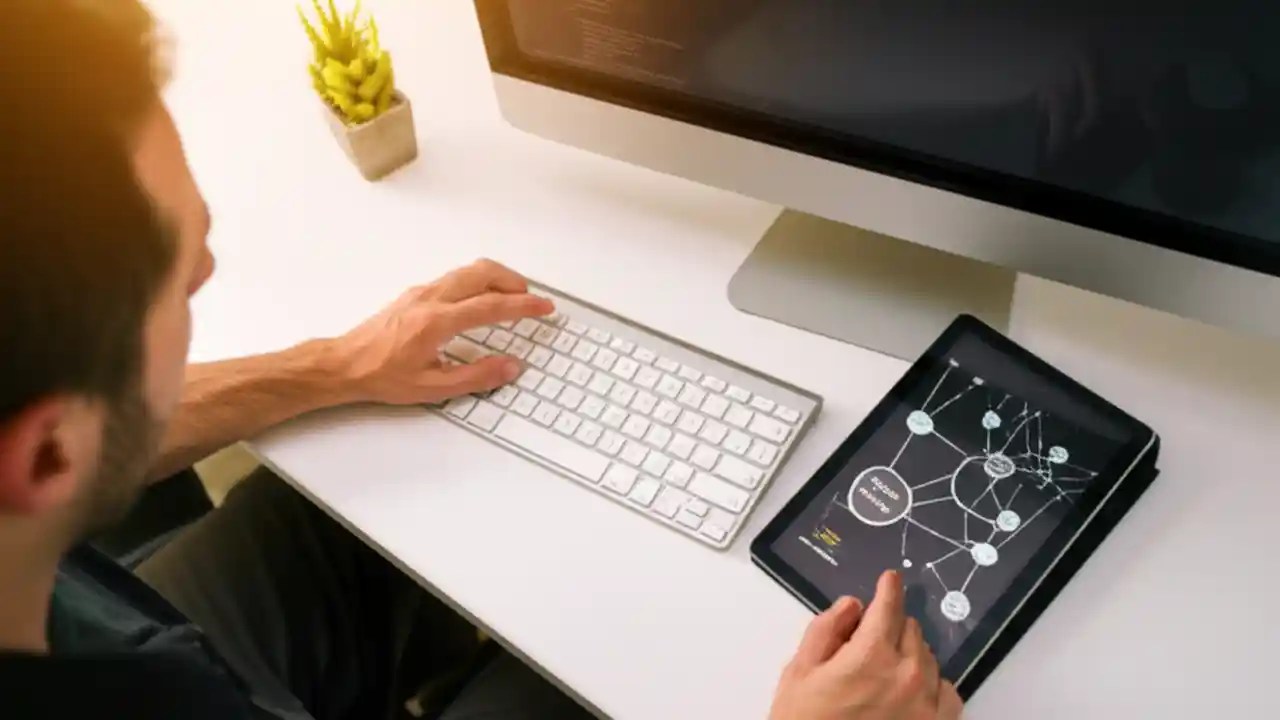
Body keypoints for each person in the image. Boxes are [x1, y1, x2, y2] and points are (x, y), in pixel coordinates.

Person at [0, 1, 962, 718]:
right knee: (577, 683)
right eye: (182, 279)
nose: (209, 271)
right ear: (45, 454)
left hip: (121, 613)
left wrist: (337, 366)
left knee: (333, 526)